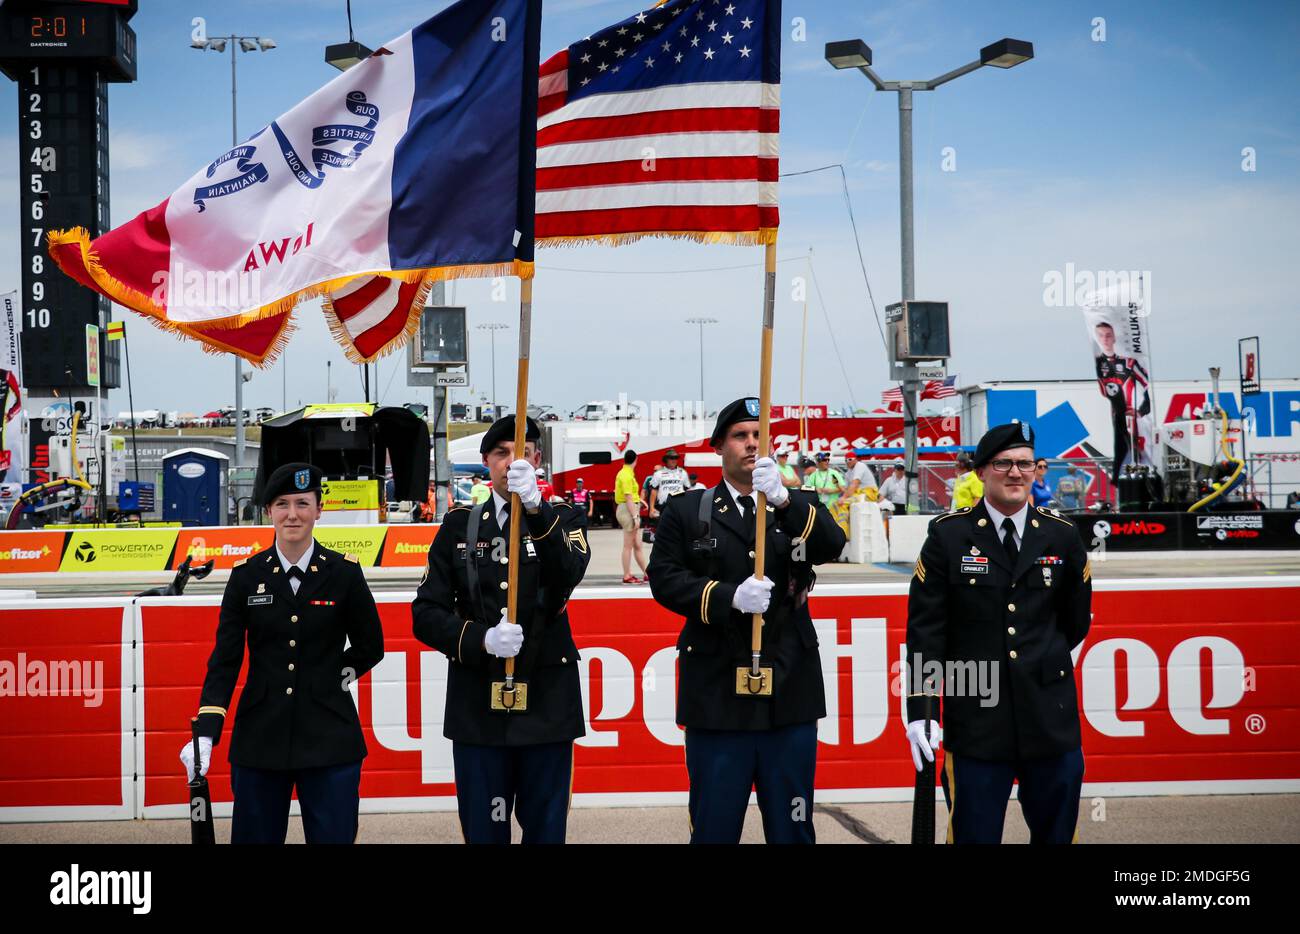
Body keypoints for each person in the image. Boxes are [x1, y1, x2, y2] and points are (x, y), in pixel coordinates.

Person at [647, 397, 847, 843]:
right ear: (719, 446)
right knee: (714, 827)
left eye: (759, 435)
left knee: (793, 828)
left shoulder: (796, 505)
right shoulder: (688, 510)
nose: (752, 445)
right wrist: (727, 596)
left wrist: (782, 498)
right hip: (717, 694)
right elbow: (663, 578)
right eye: (740, 436)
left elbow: (833, 544)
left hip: (789, 688)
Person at [905, 422, 1092, 844]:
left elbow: (1074, 622)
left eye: (1026, 464)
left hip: (1049, 718)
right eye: (1003, 463)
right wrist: (922, 711)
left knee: (1057, 834)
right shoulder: (949, 536)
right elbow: (926, 633)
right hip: (976, 721)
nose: (1015, 473)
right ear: (981, 472)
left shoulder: (1061, 536)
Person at [181, 462, 385, 844]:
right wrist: (206, 732)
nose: (293, 514)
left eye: (303, 504)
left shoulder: (344, 573)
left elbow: (371, 645)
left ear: (319, 510)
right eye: (283, 504)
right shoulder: (246, 576)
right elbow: (225, 661)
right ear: (268, 511)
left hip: (330, 737)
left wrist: (336, 676)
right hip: (261, 737)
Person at [411, 416, 590, 844]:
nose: (513, 463)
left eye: (523, 452)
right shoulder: (459, 526)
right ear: (486, 462)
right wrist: (481, 639)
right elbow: (425, 613)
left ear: (538, 460)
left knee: (546, 832)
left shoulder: (562, 517)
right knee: (484, 832)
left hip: (547, 704)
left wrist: (535, 508)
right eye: (501, 454)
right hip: (479, 708)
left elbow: (569, 571)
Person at [615, 449, 648, 584]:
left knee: (637, 544)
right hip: (628, 511)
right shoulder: (627, 475)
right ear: (636, 459)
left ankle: (647, 573)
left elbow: (627, 495)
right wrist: (635, 517)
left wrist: (640, 501)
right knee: (628, 545)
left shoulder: (623, 473)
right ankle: (627, 575)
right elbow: (628, 497)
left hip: (628, 508)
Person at [648, 449, 690, 520]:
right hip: (663, 506)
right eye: (671, 458)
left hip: (679, 506)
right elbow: (654, 491)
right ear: (666, 459)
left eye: (675, 458)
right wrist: (651, 508)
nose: (674, 460)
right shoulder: (658, 473)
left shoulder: (683, 473)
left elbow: (687, 491)